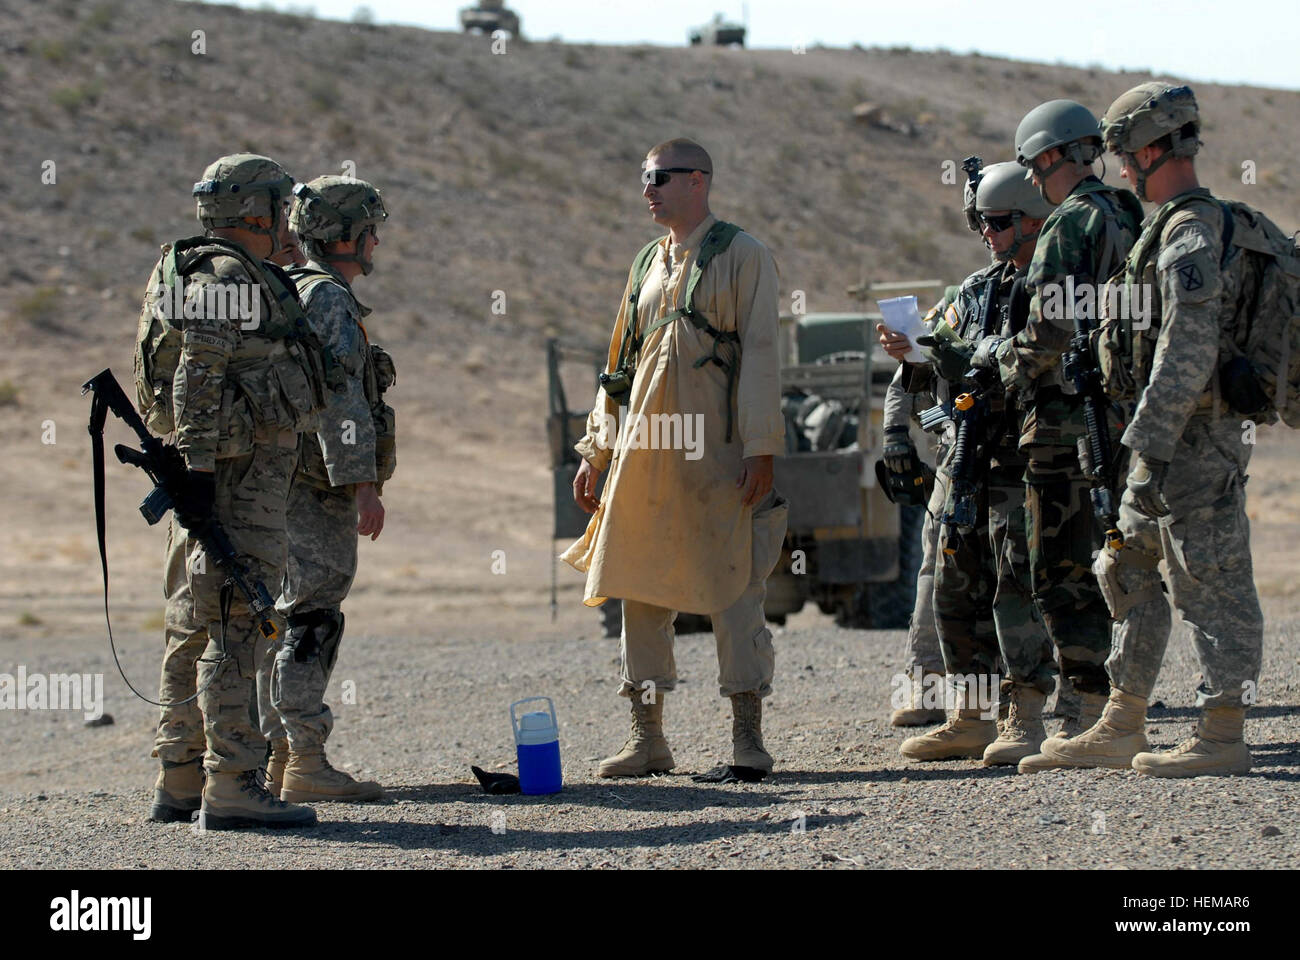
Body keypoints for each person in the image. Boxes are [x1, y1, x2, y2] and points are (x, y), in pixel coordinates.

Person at [1029, 83, 1265, 776]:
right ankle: (1122, 719)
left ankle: (1223, 732)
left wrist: (1148, 447)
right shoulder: (1162, 227)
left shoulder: (1191, 231)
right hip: (1155, 438)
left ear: (1157, 147)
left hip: (1189, 439)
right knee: (1125, 566)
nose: (1123, 168)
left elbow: (1185, 350)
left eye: (1128, 152)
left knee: (1210, 579)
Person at [562, 138, 788, 778]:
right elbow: (618, 367)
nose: (648, 189)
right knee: (638, 585)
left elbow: (764, 357)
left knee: (735, 586)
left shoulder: (742, 255)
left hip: (717, 455)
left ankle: (747, 739)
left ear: (698, 181)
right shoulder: (645, 265)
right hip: (646, 457)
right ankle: (647, 738)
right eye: (643, 178)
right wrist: (596, 450)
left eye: (659, 178)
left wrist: (761, 448)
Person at [138, 154, 325, 829]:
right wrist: (199, 469)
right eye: (277, 206)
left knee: (197, 620)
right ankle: (235, 782)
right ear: (255, 212)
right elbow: (198, 369)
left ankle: (181, 776)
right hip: (235, 479)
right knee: (238, 620)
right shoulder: (222, 275)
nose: (285, 219)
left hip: (220, 474)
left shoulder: (197, 270)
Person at [963, 102, 1143, 773]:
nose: (1033, 180)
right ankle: (1114, 704)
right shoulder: (1126, 211)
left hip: (1065, 423)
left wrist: (995, 363)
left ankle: (1093, 712)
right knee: (1119, 558)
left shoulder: (1071, 222)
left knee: (1058, 569)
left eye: (1034, 165)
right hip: (1121, 415)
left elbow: (1048, 333)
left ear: (1045, 157)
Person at [886, 164, 1059, 764]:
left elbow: (1032, 363)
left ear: (1029, 222)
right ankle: (970, 712)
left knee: (1017, 591)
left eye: (996, 222)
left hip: (1021, 461)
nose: (985, 233)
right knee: (954, 588)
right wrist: (913, 349)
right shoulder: (974, 290)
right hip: (967, 458)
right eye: (982, 223)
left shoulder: (1052, 288)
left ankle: (1027, 714)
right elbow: (931, 356)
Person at [257, 176, 395, 802]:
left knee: (285, 614)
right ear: (345, 237)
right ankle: (304, 760)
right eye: (369, 232)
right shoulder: (329, 300)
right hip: (315, 488)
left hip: (282, 481)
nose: (374, 244)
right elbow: (341, 400)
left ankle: (280, 760)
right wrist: (361, 483)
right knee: (312, 614)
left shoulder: (288, 288)